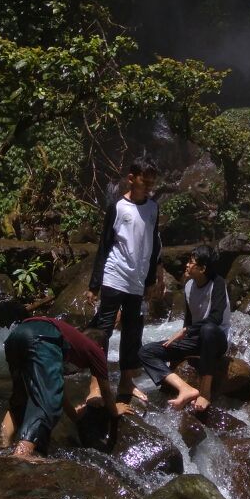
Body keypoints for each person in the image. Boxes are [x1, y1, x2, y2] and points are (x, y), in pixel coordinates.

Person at [0, 318, 131, 458]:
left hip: (17, 335)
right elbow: (105, 390)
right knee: (46, 404)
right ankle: (23, 454)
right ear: (102, 348)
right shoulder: (96, 351)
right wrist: (115, 410)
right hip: (43, 336)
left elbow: (57, 388)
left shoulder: (68, 345)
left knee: (21, 398)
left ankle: (1, 447)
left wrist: (73, 415)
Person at [85, 159, 161, 400]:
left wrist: (151, 280)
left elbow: (152, 245)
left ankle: (127, 382)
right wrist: (94, 285)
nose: (148, 184)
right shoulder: (117, 207)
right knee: (103, 331)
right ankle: (96, 384)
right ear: (131, 178)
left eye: (151, 180)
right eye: (144, 179)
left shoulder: (153, 208)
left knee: (133, 332)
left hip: (137, 282)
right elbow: (104, 245)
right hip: (114, 276)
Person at [138, 245, 231, 411]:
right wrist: (182, 338)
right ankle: (185, 388)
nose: (187, 265)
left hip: (216, 340)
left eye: (191, 262)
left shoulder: (218, 283)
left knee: (208, 329)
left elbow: (216, 318)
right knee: (146, 352)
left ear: (202, 268)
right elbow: (190, 320)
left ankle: (205, 393)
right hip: (195, 339)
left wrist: (187, 331)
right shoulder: (189, 286)